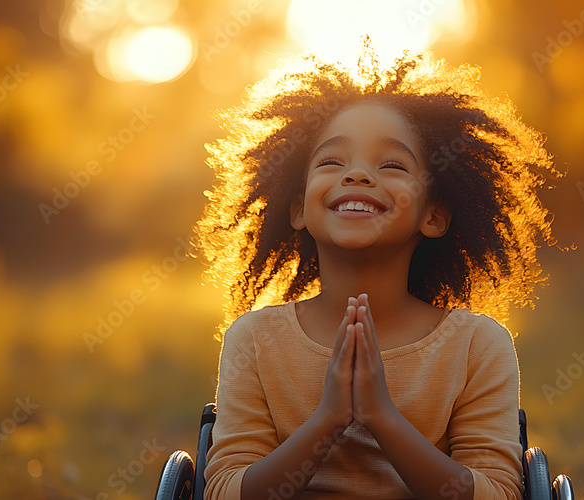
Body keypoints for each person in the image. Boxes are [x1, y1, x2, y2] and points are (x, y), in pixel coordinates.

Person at [194, 41, 559, 500]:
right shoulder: (254, 341)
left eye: (390, 164)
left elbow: (499, 493)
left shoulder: (476, 347)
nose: (357, 175)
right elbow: (224, 491)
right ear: (298, 208)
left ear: (434, 216)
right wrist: (327, 419)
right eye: (331, 161)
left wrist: (382, 417)